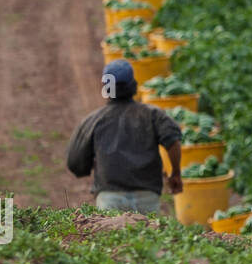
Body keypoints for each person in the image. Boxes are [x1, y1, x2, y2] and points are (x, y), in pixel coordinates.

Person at [67, 60, 184, 214]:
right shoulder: (152, 115)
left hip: (110, 197)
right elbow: (172, 141)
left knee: (111, 237)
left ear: (106, 89)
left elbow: (74, 162)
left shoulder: (94, 120)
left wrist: (88, 166)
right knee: (149, 237)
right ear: (133, 85)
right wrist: (175, 173)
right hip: (146, 196)